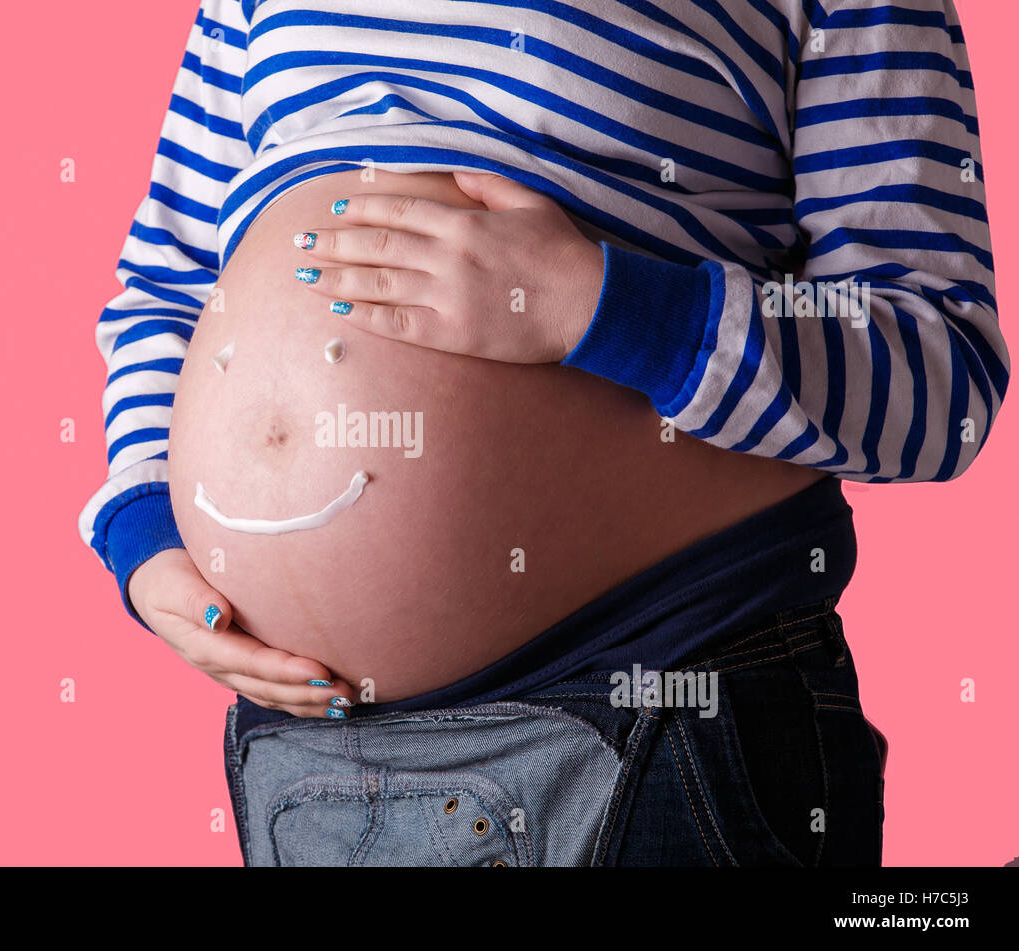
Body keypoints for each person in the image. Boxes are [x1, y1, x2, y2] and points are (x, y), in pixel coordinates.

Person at [78, 0, 1007, 866]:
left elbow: (941, 378)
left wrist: (599, 304)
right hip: (306, 742)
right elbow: (170, 284)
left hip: (664, 695)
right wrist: (151, 539)